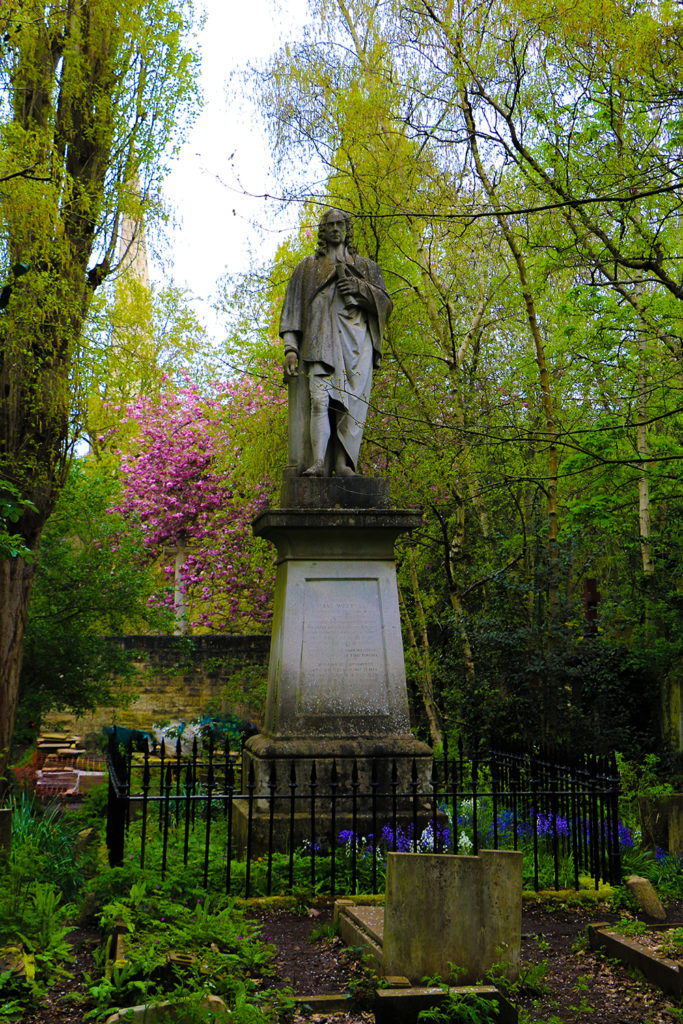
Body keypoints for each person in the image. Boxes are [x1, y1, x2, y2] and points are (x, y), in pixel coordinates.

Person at [280, 208, 392, 476]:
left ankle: (342, 464)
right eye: (329, 224)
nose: (335, 228)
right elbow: (293, 310)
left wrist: (360, 288)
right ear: (322, 230)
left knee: (350, 405)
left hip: (356, 345)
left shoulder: (366, 268)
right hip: (321, 342)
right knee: (319, 400)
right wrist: (290, 348)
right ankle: (318, 461)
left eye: (340, 224)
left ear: (347, 228)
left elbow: (385, 306)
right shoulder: (307, 269)